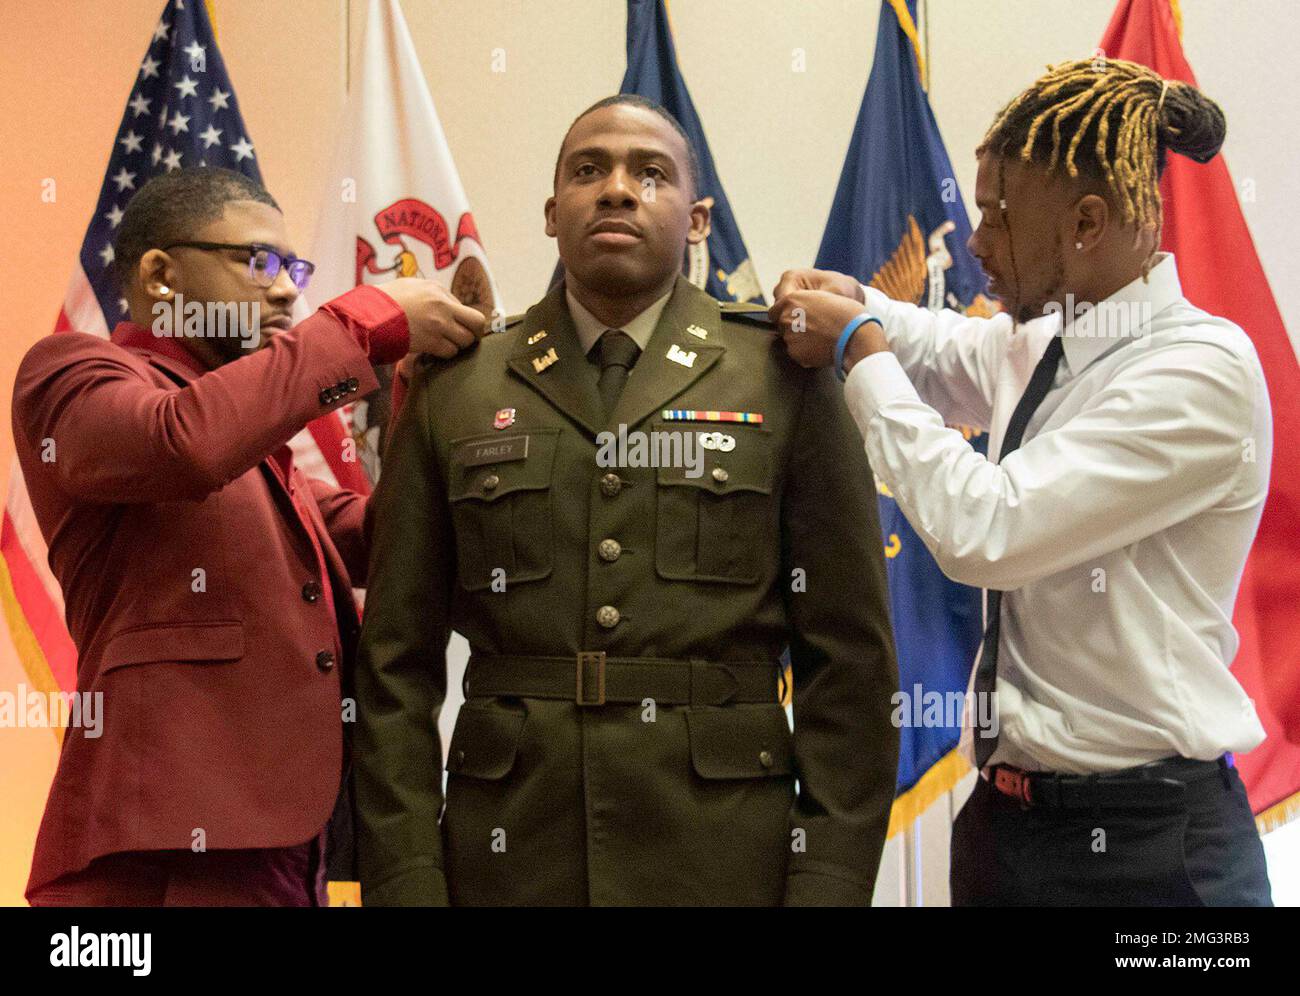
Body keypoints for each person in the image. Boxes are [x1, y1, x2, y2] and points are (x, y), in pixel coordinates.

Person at [353, 95, 900, 906]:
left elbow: (849, 664)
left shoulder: (785, 379)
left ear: (698, 218)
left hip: (725, 860)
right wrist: (405, 879)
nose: (616, 190)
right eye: (588, 171)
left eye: (649, 173)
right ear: (551, 214)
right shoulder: (458, 386)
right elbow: (395, 665)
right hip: (507, 855)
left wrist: (826, 879)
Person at [770, 59, 1273, 906]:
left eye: (998, 219)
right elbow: (933, 346)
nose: (972, 244)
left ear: (1086, 222)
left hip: (1152, 853)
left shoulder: (1200, 372)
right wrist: (856, 300)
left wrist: (860, 345)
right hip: (1010, 835)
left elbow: (987, 531)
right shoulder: (1052, 338)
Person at [16, 167, 485, 906]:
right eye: (257, 262)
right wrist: (363, 321)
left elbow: (373, 536)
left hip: (287, 842)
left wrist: (425, 393)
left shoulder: (258, 442)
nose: (286, 291)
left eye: (292, 269)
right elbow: (183, 443)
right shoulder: (73, 372)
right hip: (158, 854)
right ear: (161, 274)